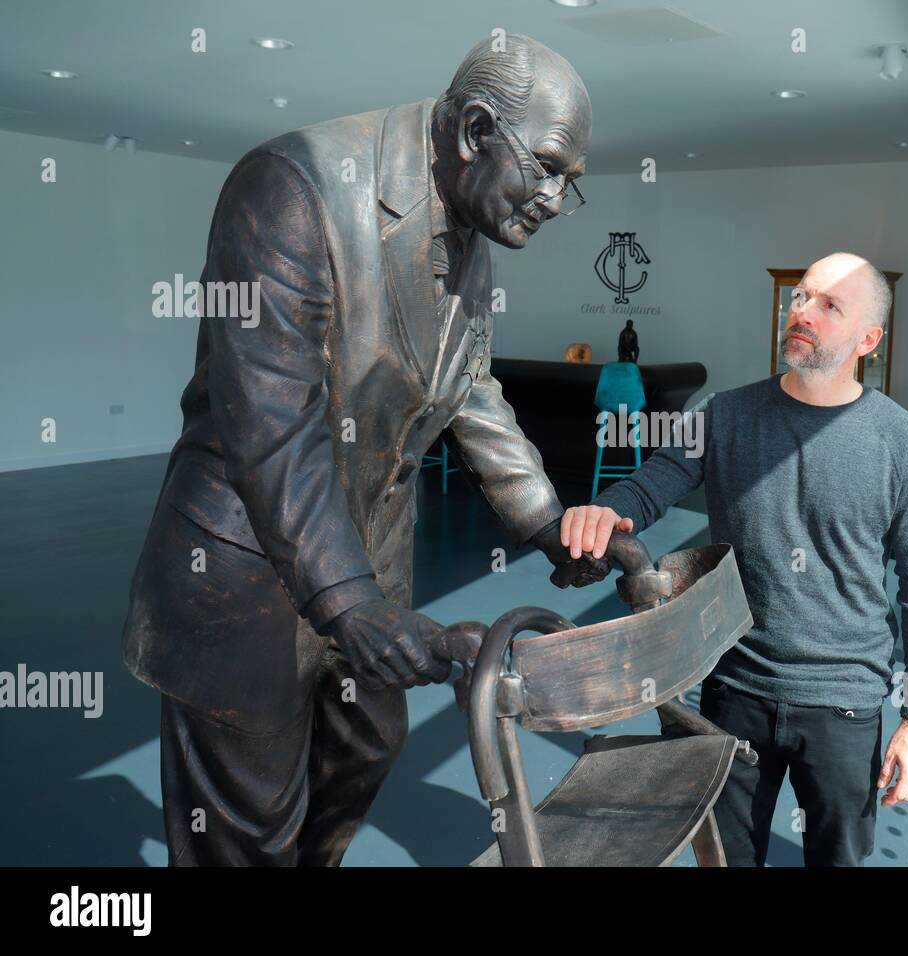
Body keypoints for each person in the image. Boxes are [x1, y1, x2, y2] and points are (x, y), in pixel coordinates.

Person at [121, 33, 608, 866]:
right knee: (245, 826)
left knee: (363, 756)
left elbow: (471, 385)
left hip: (368, 563)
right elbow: (271, 423)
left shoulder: (470, 223)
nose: (558, 200)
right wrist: (350, 605)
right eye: (551, 167)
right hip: (247, 570)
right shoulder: (292, 186)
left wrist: (544, 521)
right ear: (476, 129)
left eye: (573, 182)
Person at [562, 253, 908, 866]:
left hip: (844, 703)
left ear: (868, 339)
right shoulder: (725, 414)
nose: (803, 312)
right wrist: (604, 511)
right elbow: (651, 483)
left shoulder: (905, 444)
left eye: (829, 306)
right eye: (801, 297)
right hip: (734, 686)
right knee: (726, 859)